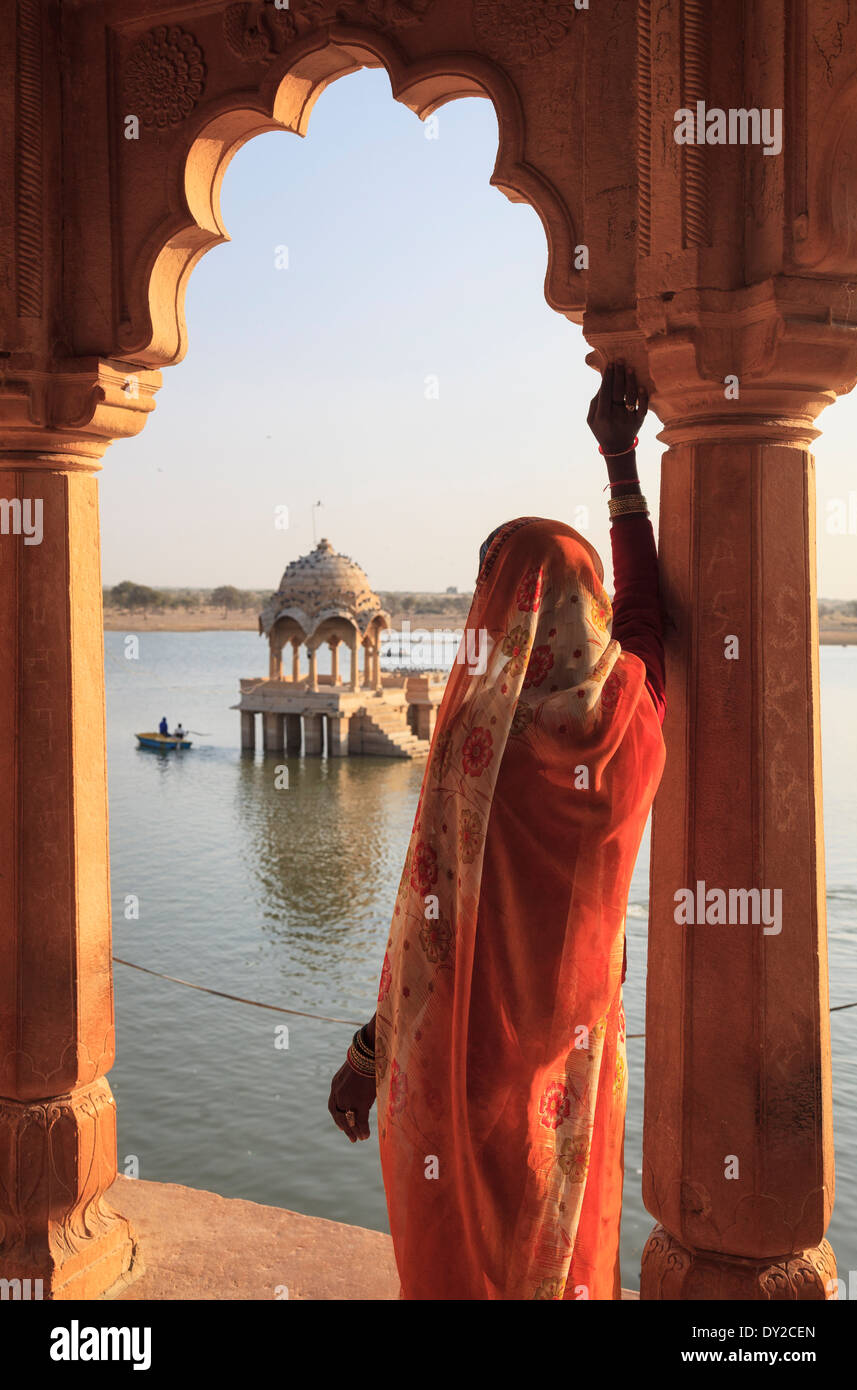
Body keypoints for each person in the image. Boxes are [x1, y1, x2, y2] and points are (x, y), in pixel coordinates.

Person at [328, 361, 666, 1300]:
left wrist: (368, 1053)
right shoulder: (633, 726)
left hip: (468, 1062)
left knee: (469, 1252)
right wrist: (621, 462)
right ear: (583, 611)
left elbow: (425, 930)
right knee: (553, 1246)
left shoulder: (479, 744)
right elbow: (649, 618)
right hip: (575, 1057)